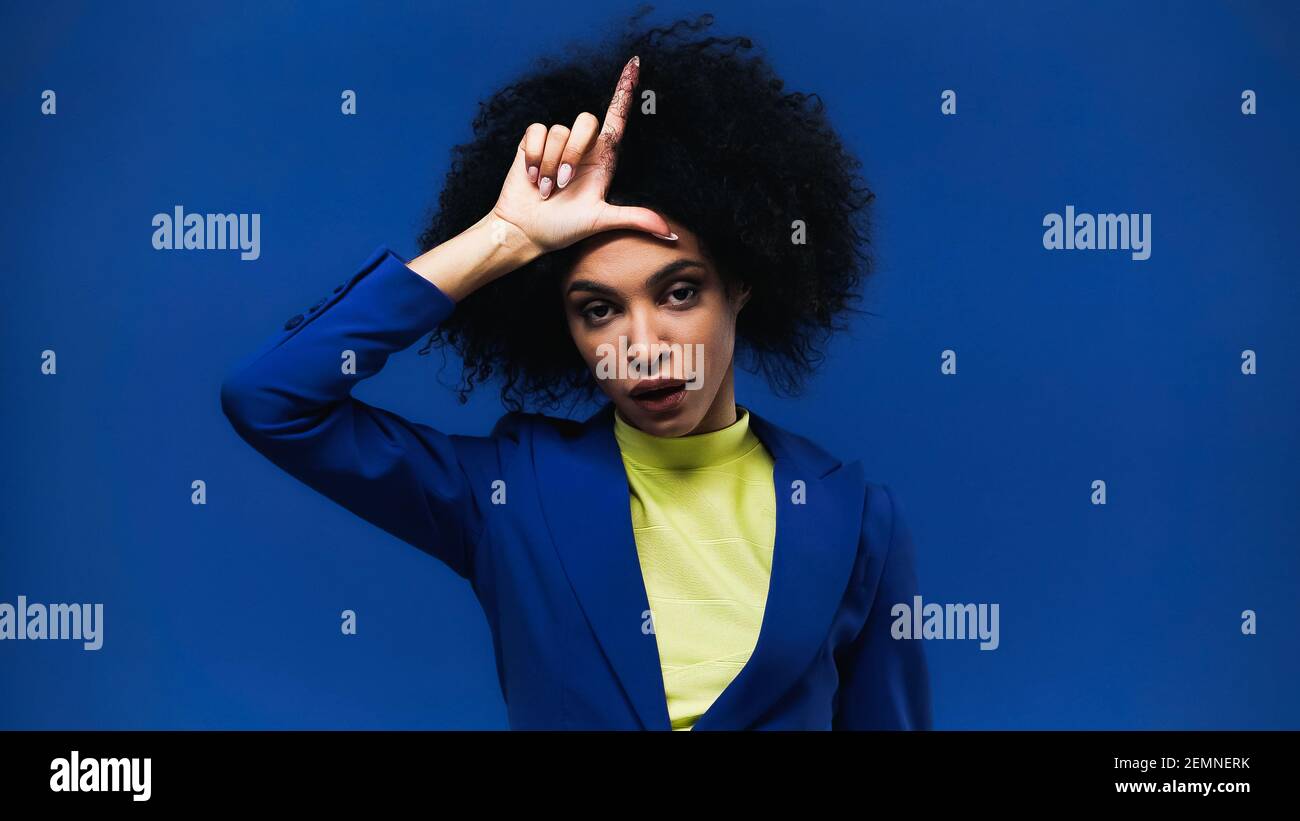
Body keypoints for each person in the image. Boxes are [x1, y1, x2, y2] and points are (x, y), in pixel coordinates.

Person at [221, 14, 932, 730]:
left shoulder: (856, 520)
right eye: (598, 309)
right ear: (562, 325)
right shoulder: (507, 494)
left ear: (742, 284)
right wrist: (505, 237)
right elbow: (272, 400)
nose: (643, 345)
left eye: (678, 291)